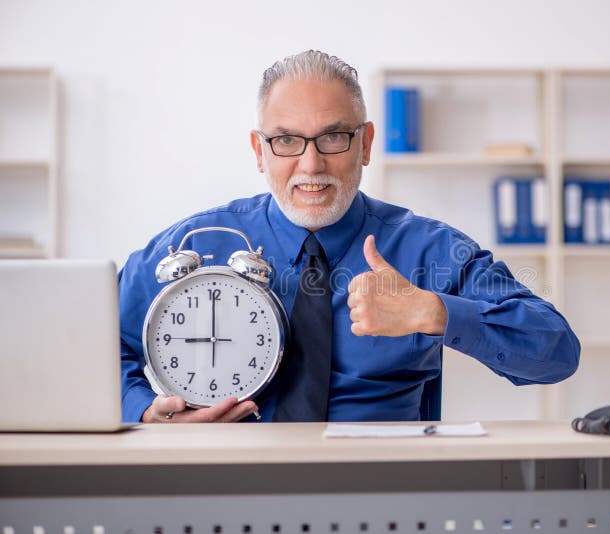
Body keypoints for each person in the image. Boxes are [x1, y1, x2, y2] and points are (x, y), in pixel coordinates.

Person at [118, 50, 580, 424]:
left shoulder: (429, 251)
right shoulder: (197, 244)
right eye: (286, 141)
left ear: (366, 144)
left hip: (382, 493)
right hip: (225, 486)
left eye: (333, 137)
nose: (311, 164)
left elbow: (557, 351)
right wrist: (145, 409)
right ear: (260, 151)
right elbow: (92, 342)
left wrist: (433, 311)